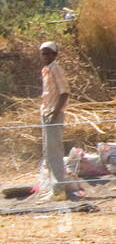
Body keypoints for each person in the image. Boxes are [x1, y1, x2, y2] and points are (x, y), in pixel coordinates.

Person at [38, 41, 80, 200]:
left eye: (49, 53)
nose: (46, 56)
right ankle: (54, 189)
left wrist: (55, 112)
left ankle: (59, 190)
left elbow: (64, 92)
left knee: (55, 151)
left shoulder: (56, 69)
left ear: (55, 55)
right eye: (43, 53)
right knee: (48, 151)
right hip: (47, 113)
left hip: (54, 114)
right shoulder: (46, 70)